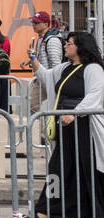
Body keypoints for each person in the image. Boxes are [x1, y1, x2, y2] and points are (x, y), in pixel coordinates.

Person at [31, 32, 104, 218]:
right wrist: (34, 62)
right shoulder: (65, 67)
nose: (65, 46)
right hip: (64, 127)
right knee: (58, 167)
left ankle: (97, 214)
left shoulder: (93, 69)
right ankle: (46, 208)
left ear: (80, 47)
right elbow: (47, 77)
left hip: (83, 127)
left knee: (86, 169)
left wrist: (75, 113)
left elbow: (94, 96)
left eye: (69, 43)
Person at [25, 11, 64, 144]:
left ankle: (49, 136)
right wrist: (30, 61)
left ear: (46, 24)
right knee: (34, 107)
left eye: (36, 22)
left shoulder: (52, 40)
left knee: (50, 109)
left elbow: (56, 64)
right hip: (42, 79)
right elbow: (42, 58)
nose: (33, 25)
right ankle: (44, 136)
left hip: (50, 80)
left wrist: (52, 79)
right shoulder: (42, 38)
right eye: (33, 22)